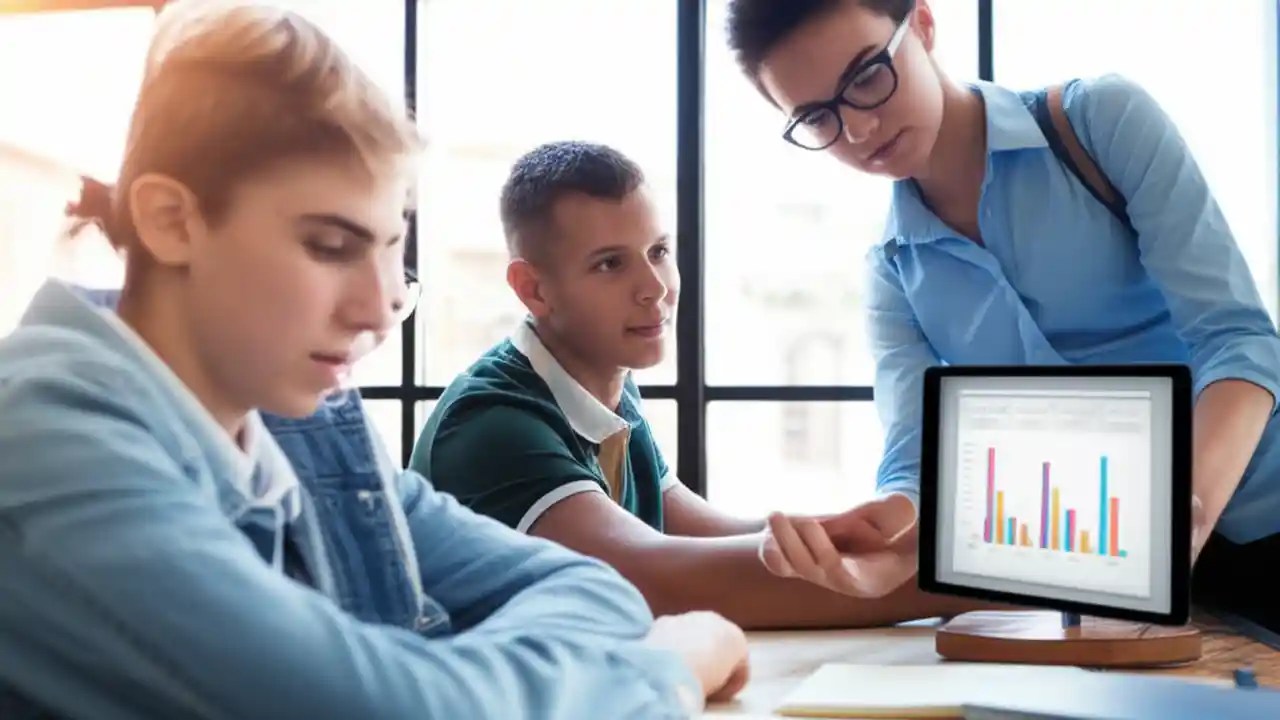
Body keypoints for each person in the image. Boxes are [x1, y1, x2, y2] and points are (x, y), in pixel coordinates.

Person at [0, 2, 749, 717]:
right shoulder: (53, 443)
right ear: (171, 221)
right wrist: (667, 668)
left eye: (393, 250)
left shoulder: (302, 425)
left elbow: (597, 592)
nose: (380, 310)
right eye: (330, 247)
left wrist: (443, 678)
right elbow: (389, 709)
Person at [724, 0, 1280, 631]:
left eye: (868, 76)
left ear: (923, 25)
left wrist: (1178, 519)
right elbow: (914, 459)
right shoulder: (894, 271)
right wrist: (889, 546)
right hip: (1112, 573)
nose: (856, 130)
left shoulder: (1101, 124)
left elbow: (1238, 339)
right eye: (818, 116)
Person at [411, 139, 990, 628]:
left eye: (658, 251)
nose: (656, 287)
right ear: (534, 290)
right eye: (611, 264)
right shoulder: (493, 424)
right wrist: (976, 578)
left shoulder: (601, 384)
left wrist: (847, 537)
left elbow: (700, 530)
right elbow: (657, 578)